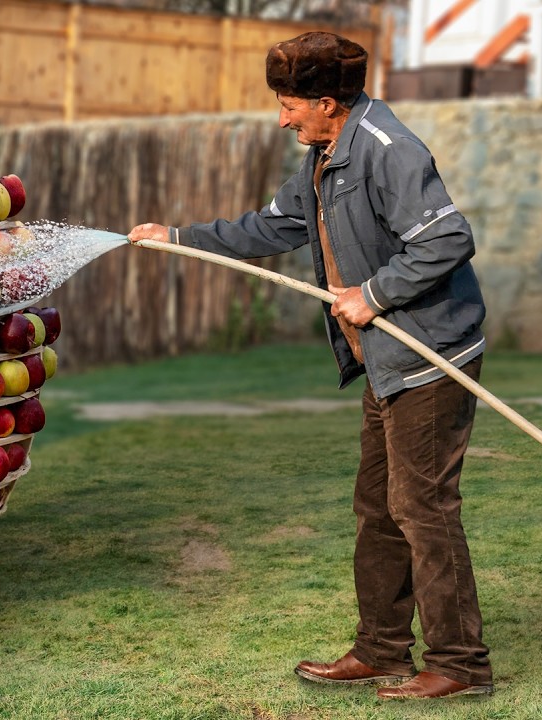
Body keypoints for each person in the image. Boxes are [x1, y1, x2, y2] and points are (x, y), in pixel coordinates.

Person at [128, 32, 493, 700]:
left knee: (422, 507)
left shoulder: (387, 150)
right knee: (379, 509)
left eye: (289, 104)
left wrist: (374, 293)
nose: (281, 117)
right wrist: (178, 239)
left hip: (429, 357)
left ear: (328, 101)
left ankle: (460, 665)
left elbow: (447, 239)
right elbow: (269, 227)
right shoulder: (327, 155)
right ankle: (382, 650)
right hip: (385, 360)